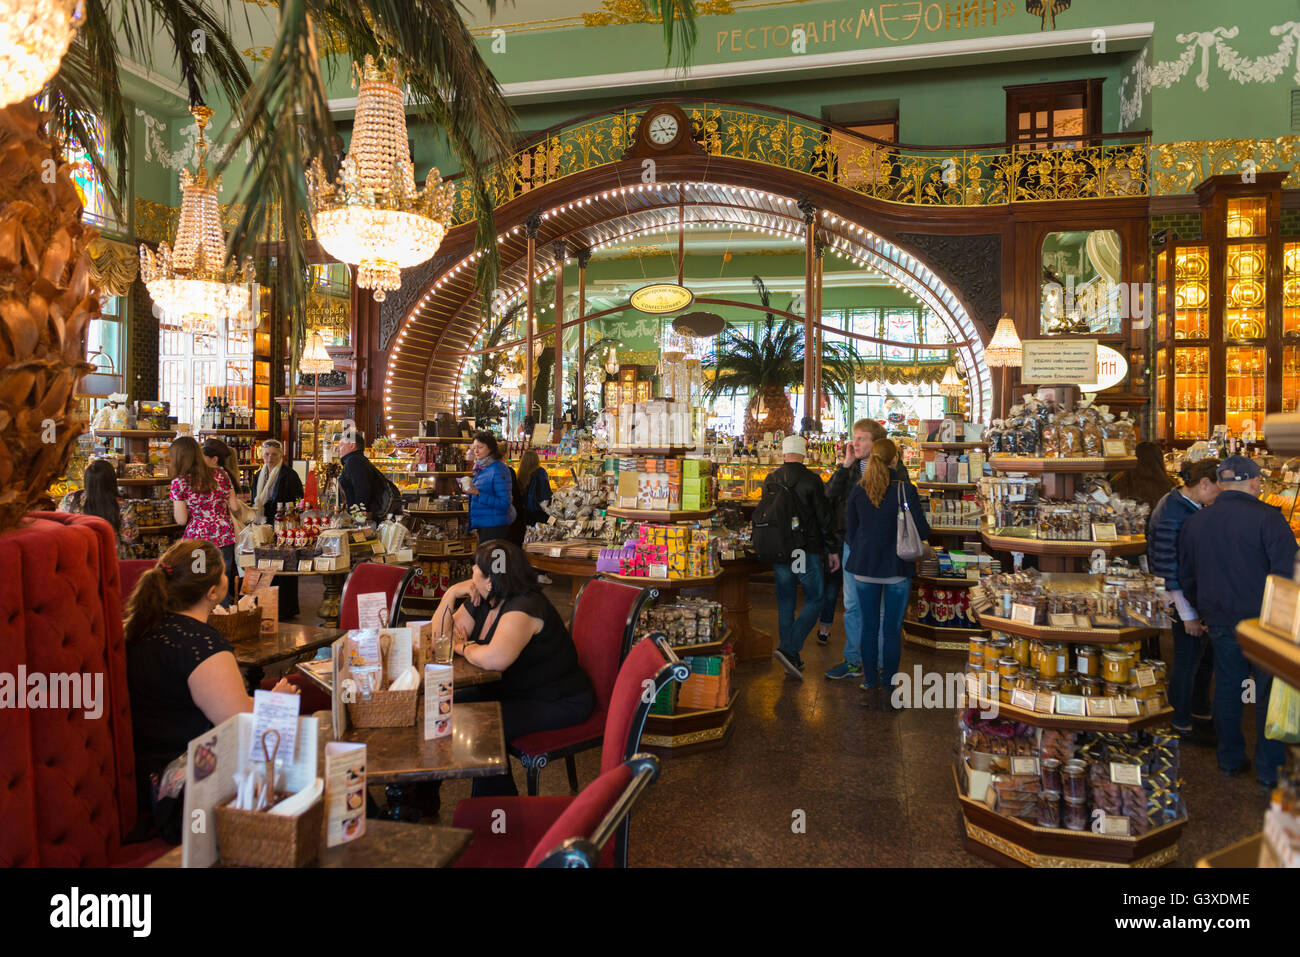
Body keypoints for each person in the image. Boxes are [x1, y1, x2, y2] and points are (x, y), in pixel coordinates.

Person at [124, 539, 296, 840]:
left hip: (144, 781)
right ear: (212, 592)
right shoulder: (200, 645)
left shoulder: (142, 628)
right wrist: (277, 702)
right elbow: (241, 724)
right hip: (187, 793)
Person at [439, 539, 594, 796]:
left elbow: (494, 659)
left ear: (491, 579)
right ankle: (420, 798)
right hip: (514, 690)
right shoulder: (486, 599)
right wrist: (451, 593)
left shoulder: (523, 607)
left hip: (556, 699)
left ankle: (496, 810)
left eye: (476, 569)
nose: (472, 573)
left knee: (482, 725)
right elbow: (439, 638)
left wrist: (463, 648)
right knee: (440, 703)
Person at [1179, 456, 1297, 788]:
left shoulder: (1196, 522)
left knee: (1228, 687)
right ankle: (1268, 767)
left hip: (1219, 619)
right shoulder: (1269, 519)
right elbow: (1287, 573)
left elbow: (1187, 575)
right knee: (1266, 693)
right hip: (1265, 621)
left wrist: (1202, 611)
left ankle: (1230, 759)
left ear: (1219, 483)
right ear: (1255, 483)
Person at [846, 437, 930, 711]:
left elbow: (850, 530)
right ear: (896, 459)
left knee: (868, 627)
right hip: (896, 568)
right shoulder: (906, 490)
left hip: (864, 568)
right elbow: (922, 530)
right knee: (892, 630)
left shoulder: (859, 489)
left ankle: (869, 680)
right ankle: (890, 682)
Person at [1146, 457, 1219, 744]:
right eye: (1219, 488)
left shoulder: (1183, 504)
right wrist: (1189, 614)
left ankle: (1198, 712)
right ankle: (1180, 723)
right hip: (1182, 603)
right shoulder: (1173, 513)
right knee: (1187, 661)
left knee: (1200, 659)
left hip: (1193, 600)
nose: (1221, 495)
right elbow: (1168, 570)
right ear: (1203, 483)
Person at [767, 434, 839, 680]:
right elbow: (824, 518)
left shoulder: (771, 479)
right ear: (803, 453)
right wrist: (831, 548)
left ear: (783, 453)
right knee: (815, 597)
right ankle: (789, 648)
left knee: (785, 602)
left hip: (779, 550)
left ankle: (792, 656)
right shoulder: (811, 480)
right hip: (801, 550)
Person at [823, 418, 887, 679]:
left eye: (861, 438)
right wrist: (845, 464)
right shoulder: (850, 470)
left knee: (879, 607)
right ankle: (853, 661)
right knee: (851, 605)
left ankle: (880, 663)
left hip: (882, 547)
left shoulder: (891, 469)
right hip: (851, 544)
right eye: (854, 437)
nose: (855, 442)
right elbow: (828, 495)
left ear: (876, 443)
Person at [169, 436, 239, 604]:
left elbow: (181, 519)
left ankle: (202, 622)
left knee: (199, 581)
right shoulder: (221, 474)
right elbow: (235, 507)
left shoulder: (179, 482)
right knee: (222, 581)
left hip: (198, 541)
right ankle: (224, 622)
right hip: (224, 536)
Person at [252, 439, 306, 619]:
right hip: (263, 525)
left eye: (274, 454)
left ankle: (286, 608)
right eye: (266, 454)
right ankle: (267, 605)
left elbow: (300, 500)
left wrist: (292, 515)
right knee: (266, 566)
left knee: (285, 565)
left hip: (284, 525)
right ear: (262, 455)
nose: (270, 458)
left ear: (280, 455)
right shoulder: (258, 475)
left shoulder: (289, 475)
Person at [58, 458, 139, 557]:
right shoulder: (123, 506)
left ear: (86, 480)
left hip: (80, 556)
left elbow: (59, 527)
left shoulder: (71, 498)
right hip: (112, 560)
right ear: (112, 481)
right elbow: (129, 537)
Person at [337, 429, 397, 522]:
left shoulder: (354, 461)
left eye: (341, 445)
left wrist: (358, 518)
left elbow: (361, 489)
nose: (338, 449)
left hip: (366, 518)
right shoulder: (359, 460)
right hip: (371, 514)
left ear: (352, 445)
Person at [466, 431, 515, 543]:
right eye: (474, 447)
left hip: (495, 526)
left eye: (480, 447)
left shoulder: (499, 469)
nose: (476, 451)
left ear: (491, 448)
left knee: (494, 559)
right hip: (484, 525)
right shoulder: (481, 468)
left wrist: (478, 493)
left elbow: (504, 503)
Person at [1111, 441, 1175, 513]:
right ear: (1160, 459)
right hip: (1160, 523)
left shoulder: (1119, 480)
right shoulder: (1169, 484)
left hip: (1128, 522)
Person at [516, 448, 553, 526]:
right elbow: (545, 493)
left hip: (525, 513)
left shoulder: (520, 474)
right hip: (538, 511)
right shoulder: (540, 472)